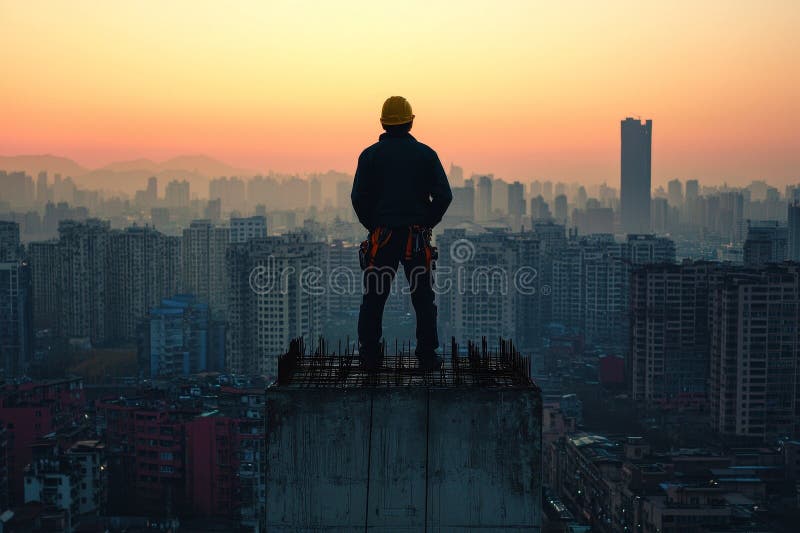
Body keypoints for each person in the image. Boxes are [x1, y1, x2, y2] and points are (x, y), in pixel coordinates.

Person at [351, 96, 453, 371]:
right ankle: (427, 357)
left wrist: (375, 226)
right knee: (423, 299)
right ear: (410, 122)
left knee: (374, 298)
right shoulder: (426, 155)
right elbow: (444, 196)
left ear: (383, 123)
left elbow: (358, 198)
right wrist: (427, 222)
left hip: (382, 238)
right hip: (415, 240)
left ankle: (370, 358)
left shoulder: (370, 155)